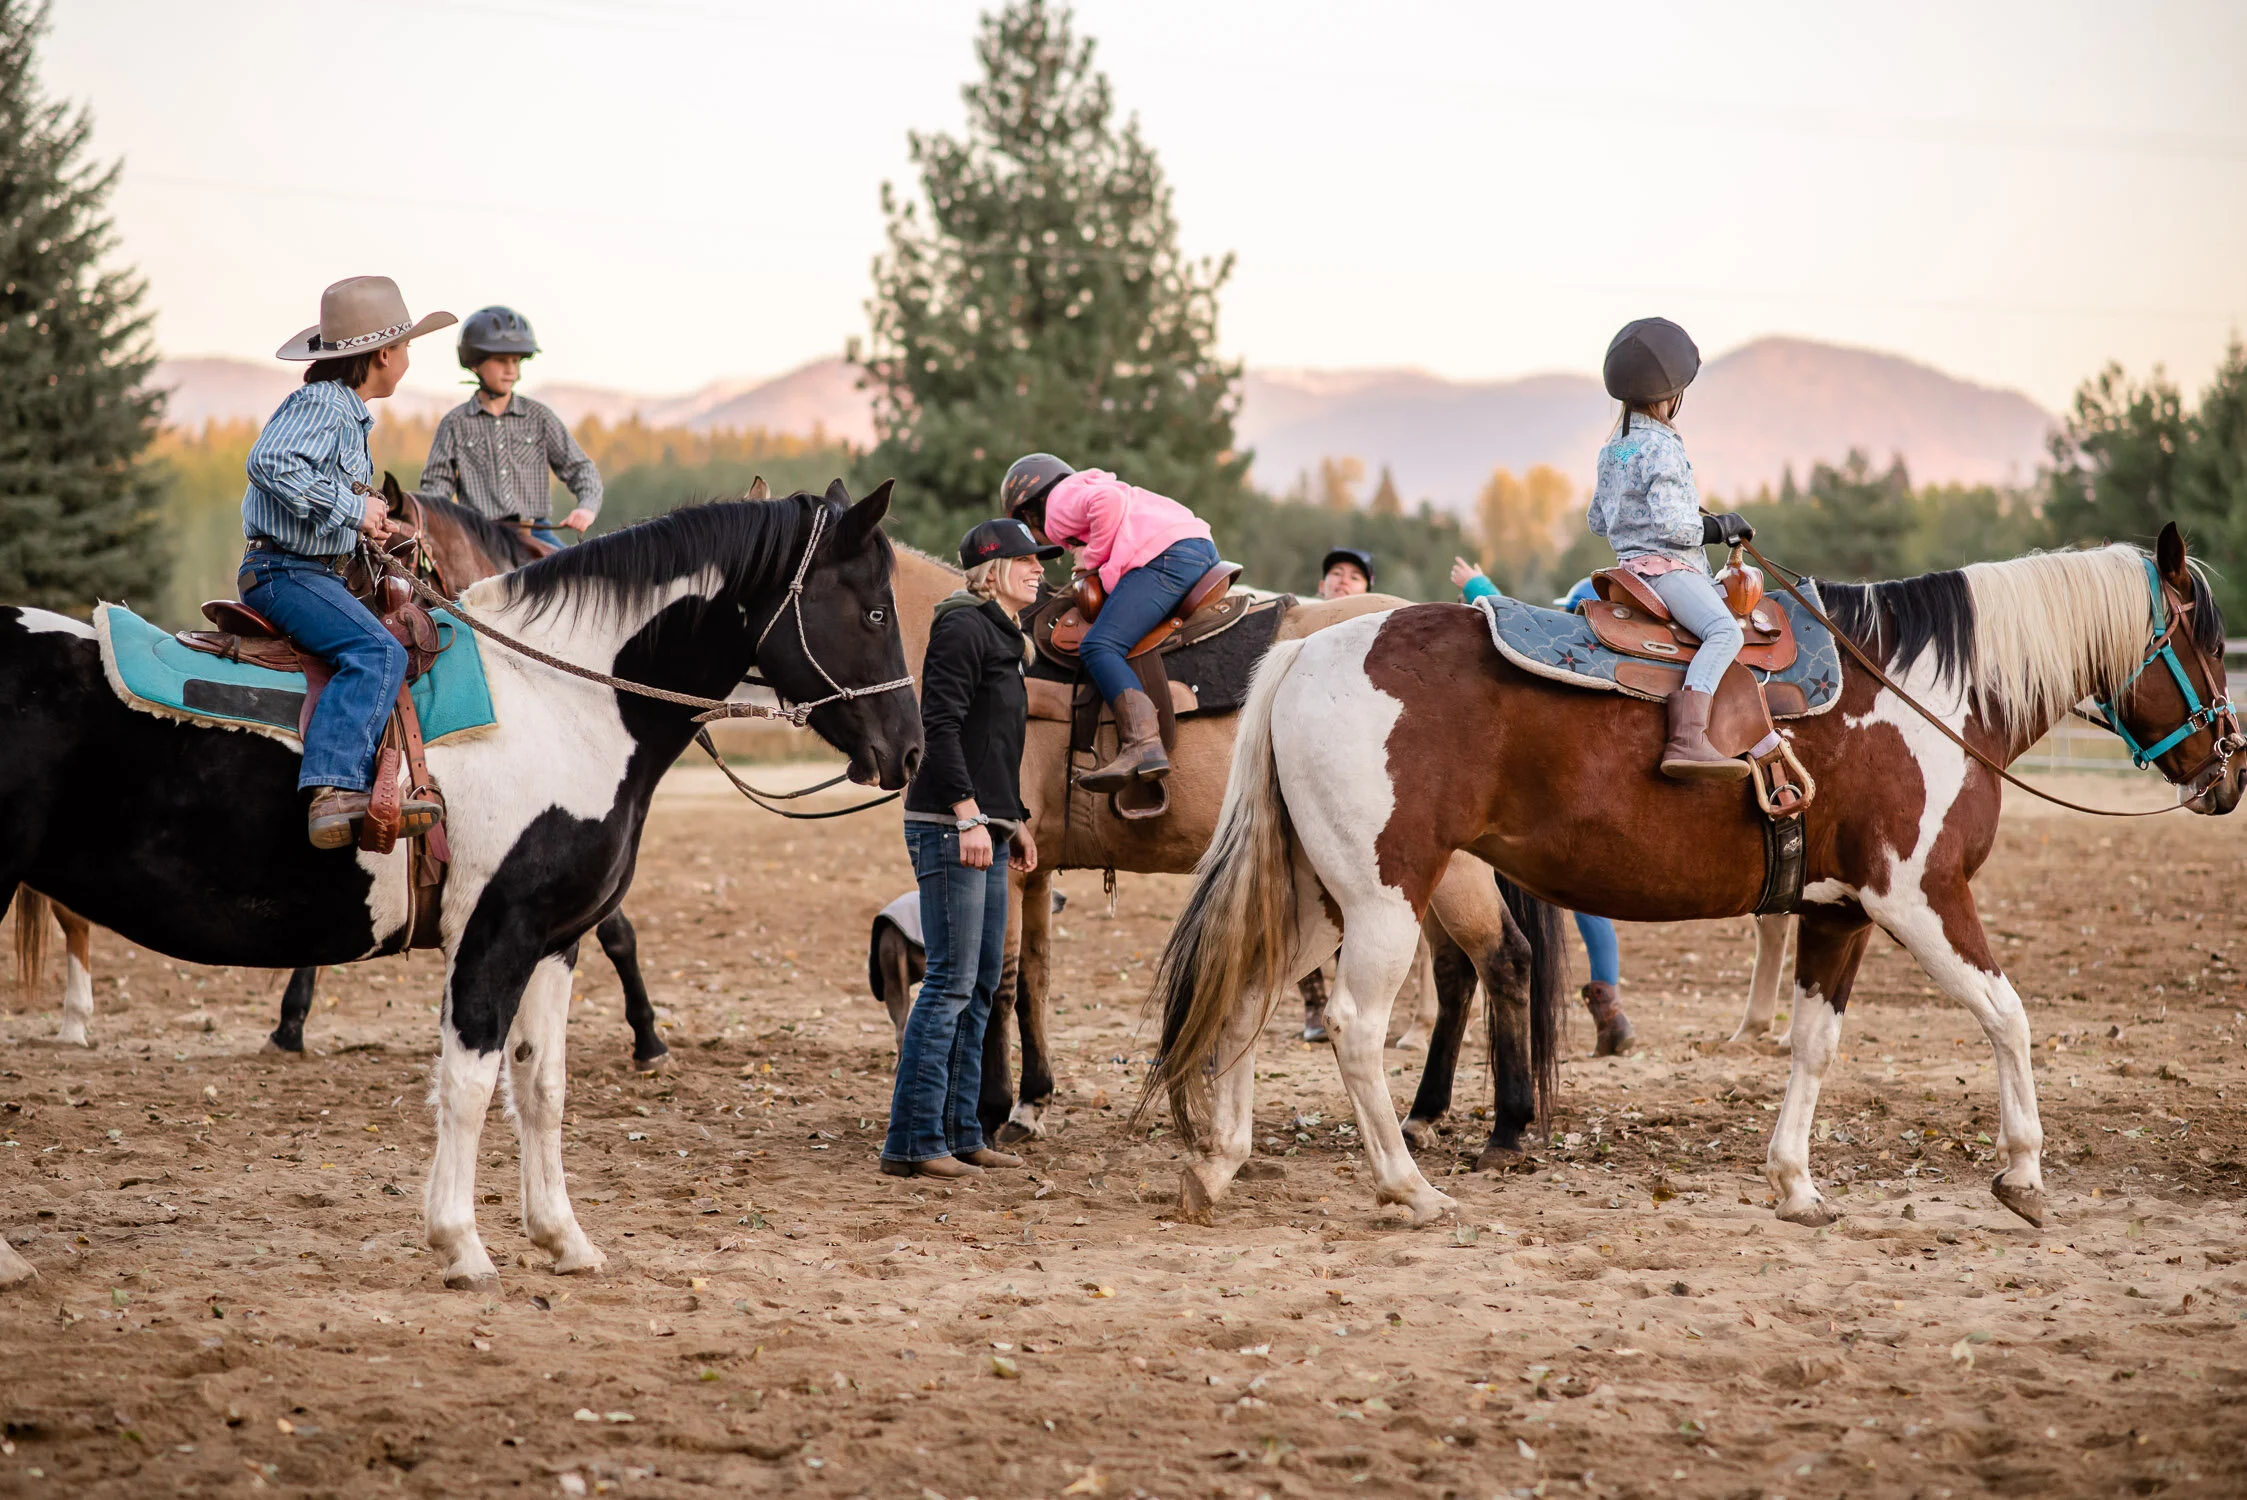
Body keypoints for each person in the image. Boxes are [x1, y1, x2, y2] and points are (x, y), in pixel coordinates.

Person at [241, 276, 455, 850]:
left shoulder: (347, 413)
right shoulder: (323, 403)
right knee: (377, 650)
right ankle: (334, 789)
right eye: (407, 346)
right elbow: (270, 462)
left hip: (308, 567)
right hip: (286, 573)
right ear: (383, 354)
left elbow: (319, 493)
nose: (408, 356)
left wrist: (369, 521)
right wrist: (349, 508)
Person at [883, 518, 1055, 1180]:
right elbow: (941, 725)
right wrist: (967, 815)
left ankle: (960, 1132)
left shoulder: (1001, 634)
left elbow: (996, 744)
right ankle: (912, 1140)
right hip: (946, 823)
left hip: (988, 822)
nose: (1040, 568)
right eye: (1026, 560)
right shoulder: (961, 624)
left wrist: (1014, 820)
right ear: (991, 569)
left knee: (982, 984)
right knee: (950, 982)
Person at [1446, 566, 1636, 1054]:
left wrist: (1478, 587)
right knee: (1589, 905)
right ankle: (1608, 1006)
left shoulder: (1565, 661)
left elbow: (1519, 629)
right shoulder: (1618, 672)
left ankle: (1512, 1009)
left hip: (1554, 803)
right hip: (1600, 801)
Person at [1586, 316, 1758, 780]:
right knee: (1727, 633)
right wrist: (1720, 526)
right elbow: (1674, 525)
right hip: (1668, 571)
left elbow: (1598, 520)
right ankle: (1688, 738)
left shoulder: (1612, 450)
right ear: (1670, 396)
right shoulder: (1662, 448)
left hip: (1628, 571)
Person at [1001, 454, 1220, 791]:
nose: (1042, 542)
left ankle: (1142, 744)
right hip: (1194, 546)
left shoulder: (1059, 504)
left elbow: (1109, 502)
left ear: (1031, 512)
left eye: (1030, 531)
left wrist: (1096, 559)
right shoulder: (1083, 489)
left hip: (1168, 556)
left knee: (1099, 645)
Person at [417, 306, 602, 547]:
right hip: (478, 538)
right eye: (502, 361)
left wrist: (586, 508)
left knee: (577, 578)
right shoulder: (455, 423)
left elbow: (580, 468)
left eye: (516, 361)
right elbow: (435, 492)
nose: (511, 370)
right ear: (475, 363)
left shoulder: (539, 417)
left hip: (535, 533)